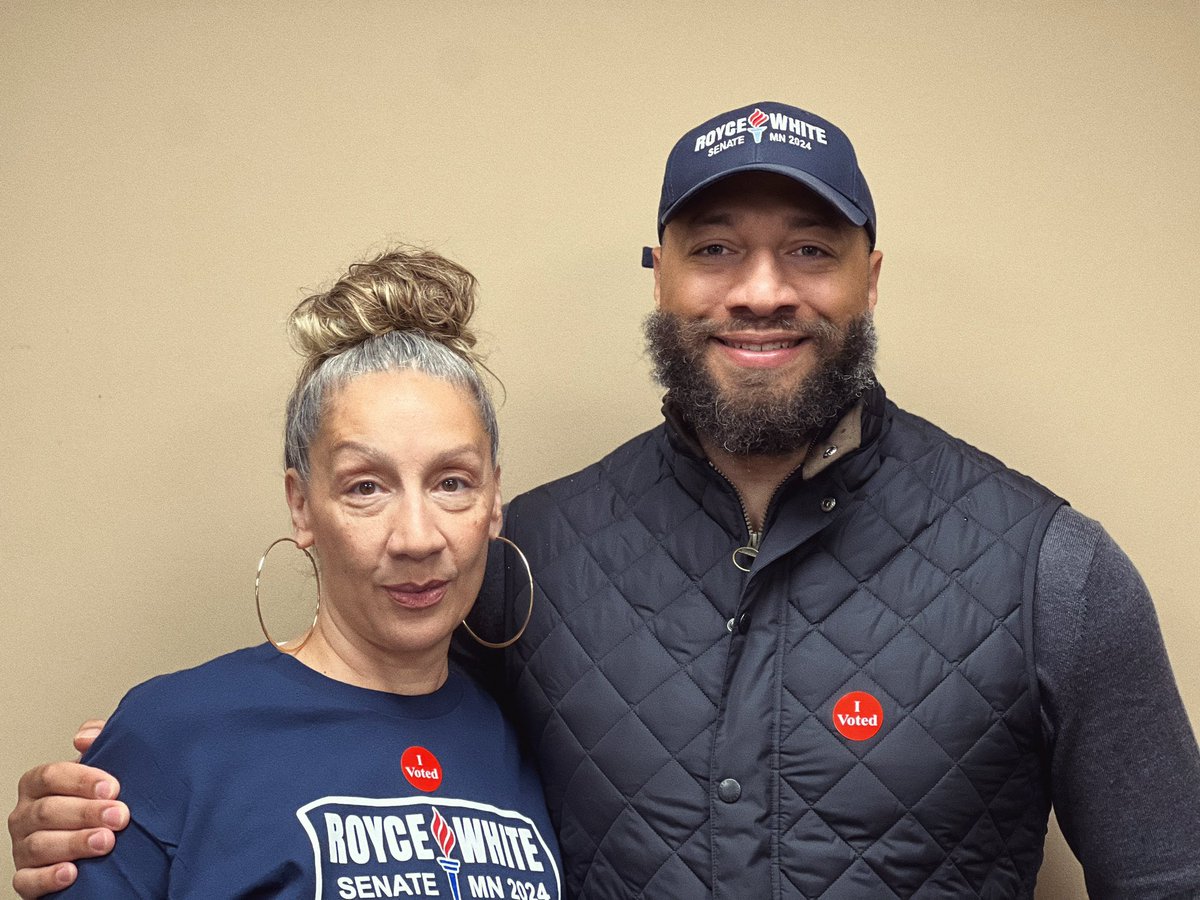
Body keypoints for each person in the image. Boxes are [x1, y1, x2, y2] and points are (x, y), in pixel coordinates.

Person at [11, 101, 1200, 899]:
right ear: (662, 276)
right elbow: (360, 731)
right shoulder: (524, 561)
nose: (761, 291)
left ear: (870, 277)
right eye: (715, 248)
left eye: (810, 249)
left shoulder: (1052, 571)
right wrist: (138, 805)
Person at [11, 247, 562, 898]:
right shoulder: (173, 733)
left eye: (452, 482)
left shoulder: (527, 742)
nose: (417, 538)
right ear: (302, 506)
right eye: (365, 487)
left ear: (493, 500)